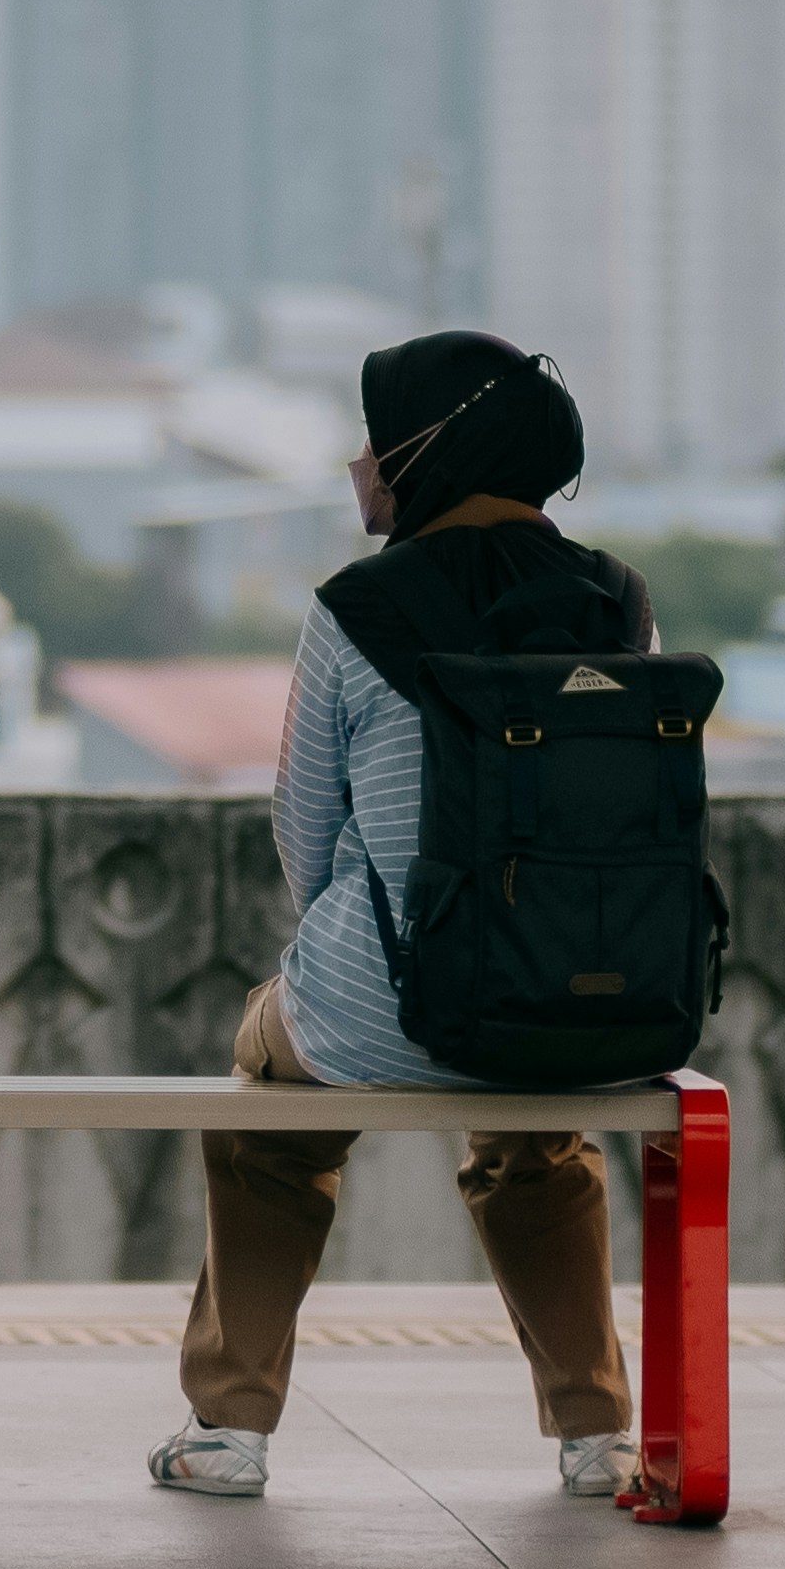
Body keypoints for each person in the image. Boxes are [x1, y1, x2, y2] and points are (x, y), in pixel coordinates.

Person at [149, 328, 649, 1507]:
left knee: (266, 1118)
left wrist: (362, 961)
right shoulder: (618, 602)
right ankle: (596, 1435)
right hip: (585, 1002)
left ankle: (227, 1430)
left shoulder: (354, 607)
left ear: (430, 452)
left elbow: (304, 831)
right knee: (538, 1140)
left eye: (372, 440)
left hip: (378, 1006)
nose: (357, 464)